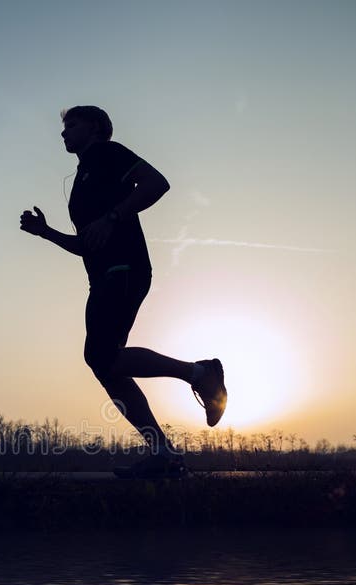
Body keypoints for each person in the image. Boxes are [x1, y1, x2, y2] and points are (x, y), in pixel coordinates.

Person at [20, 105, 227, 476]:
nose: (64, 133)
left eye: (72, 125)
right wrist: (45, 232)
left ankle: (201, 374)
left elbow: (157, 183)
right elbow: (88, 243)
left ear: (96, 128)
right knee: (105, 364)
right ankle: (163, 454)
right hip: (103, 275)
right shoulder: (84, 176)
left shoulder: (107, 153)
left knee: (101, 357)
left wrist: (113, 216)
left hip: (125, 268)